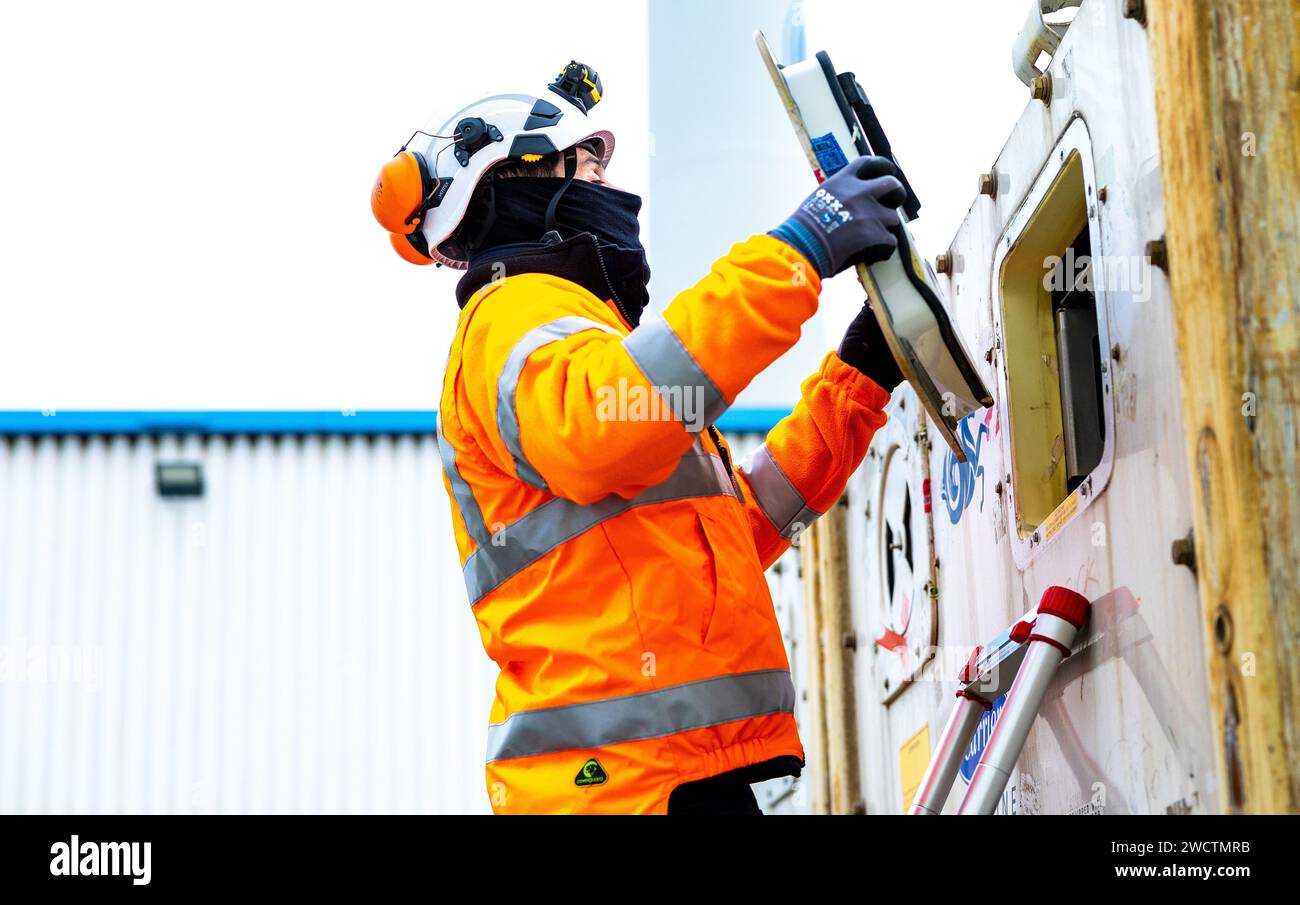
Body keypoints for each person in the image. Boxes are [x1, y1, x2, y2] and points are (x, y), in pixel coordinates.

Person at [371, 62, 906, 814]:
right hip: (618, 785)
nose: (608, 184)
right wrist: (800, 249)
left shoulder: (576, 334)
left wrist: (858, 380)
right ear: (516, 184)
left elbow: (730, 533)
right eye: (586, 160)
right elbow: (602, 431)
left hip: (658, 779)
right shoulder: (510, 313)